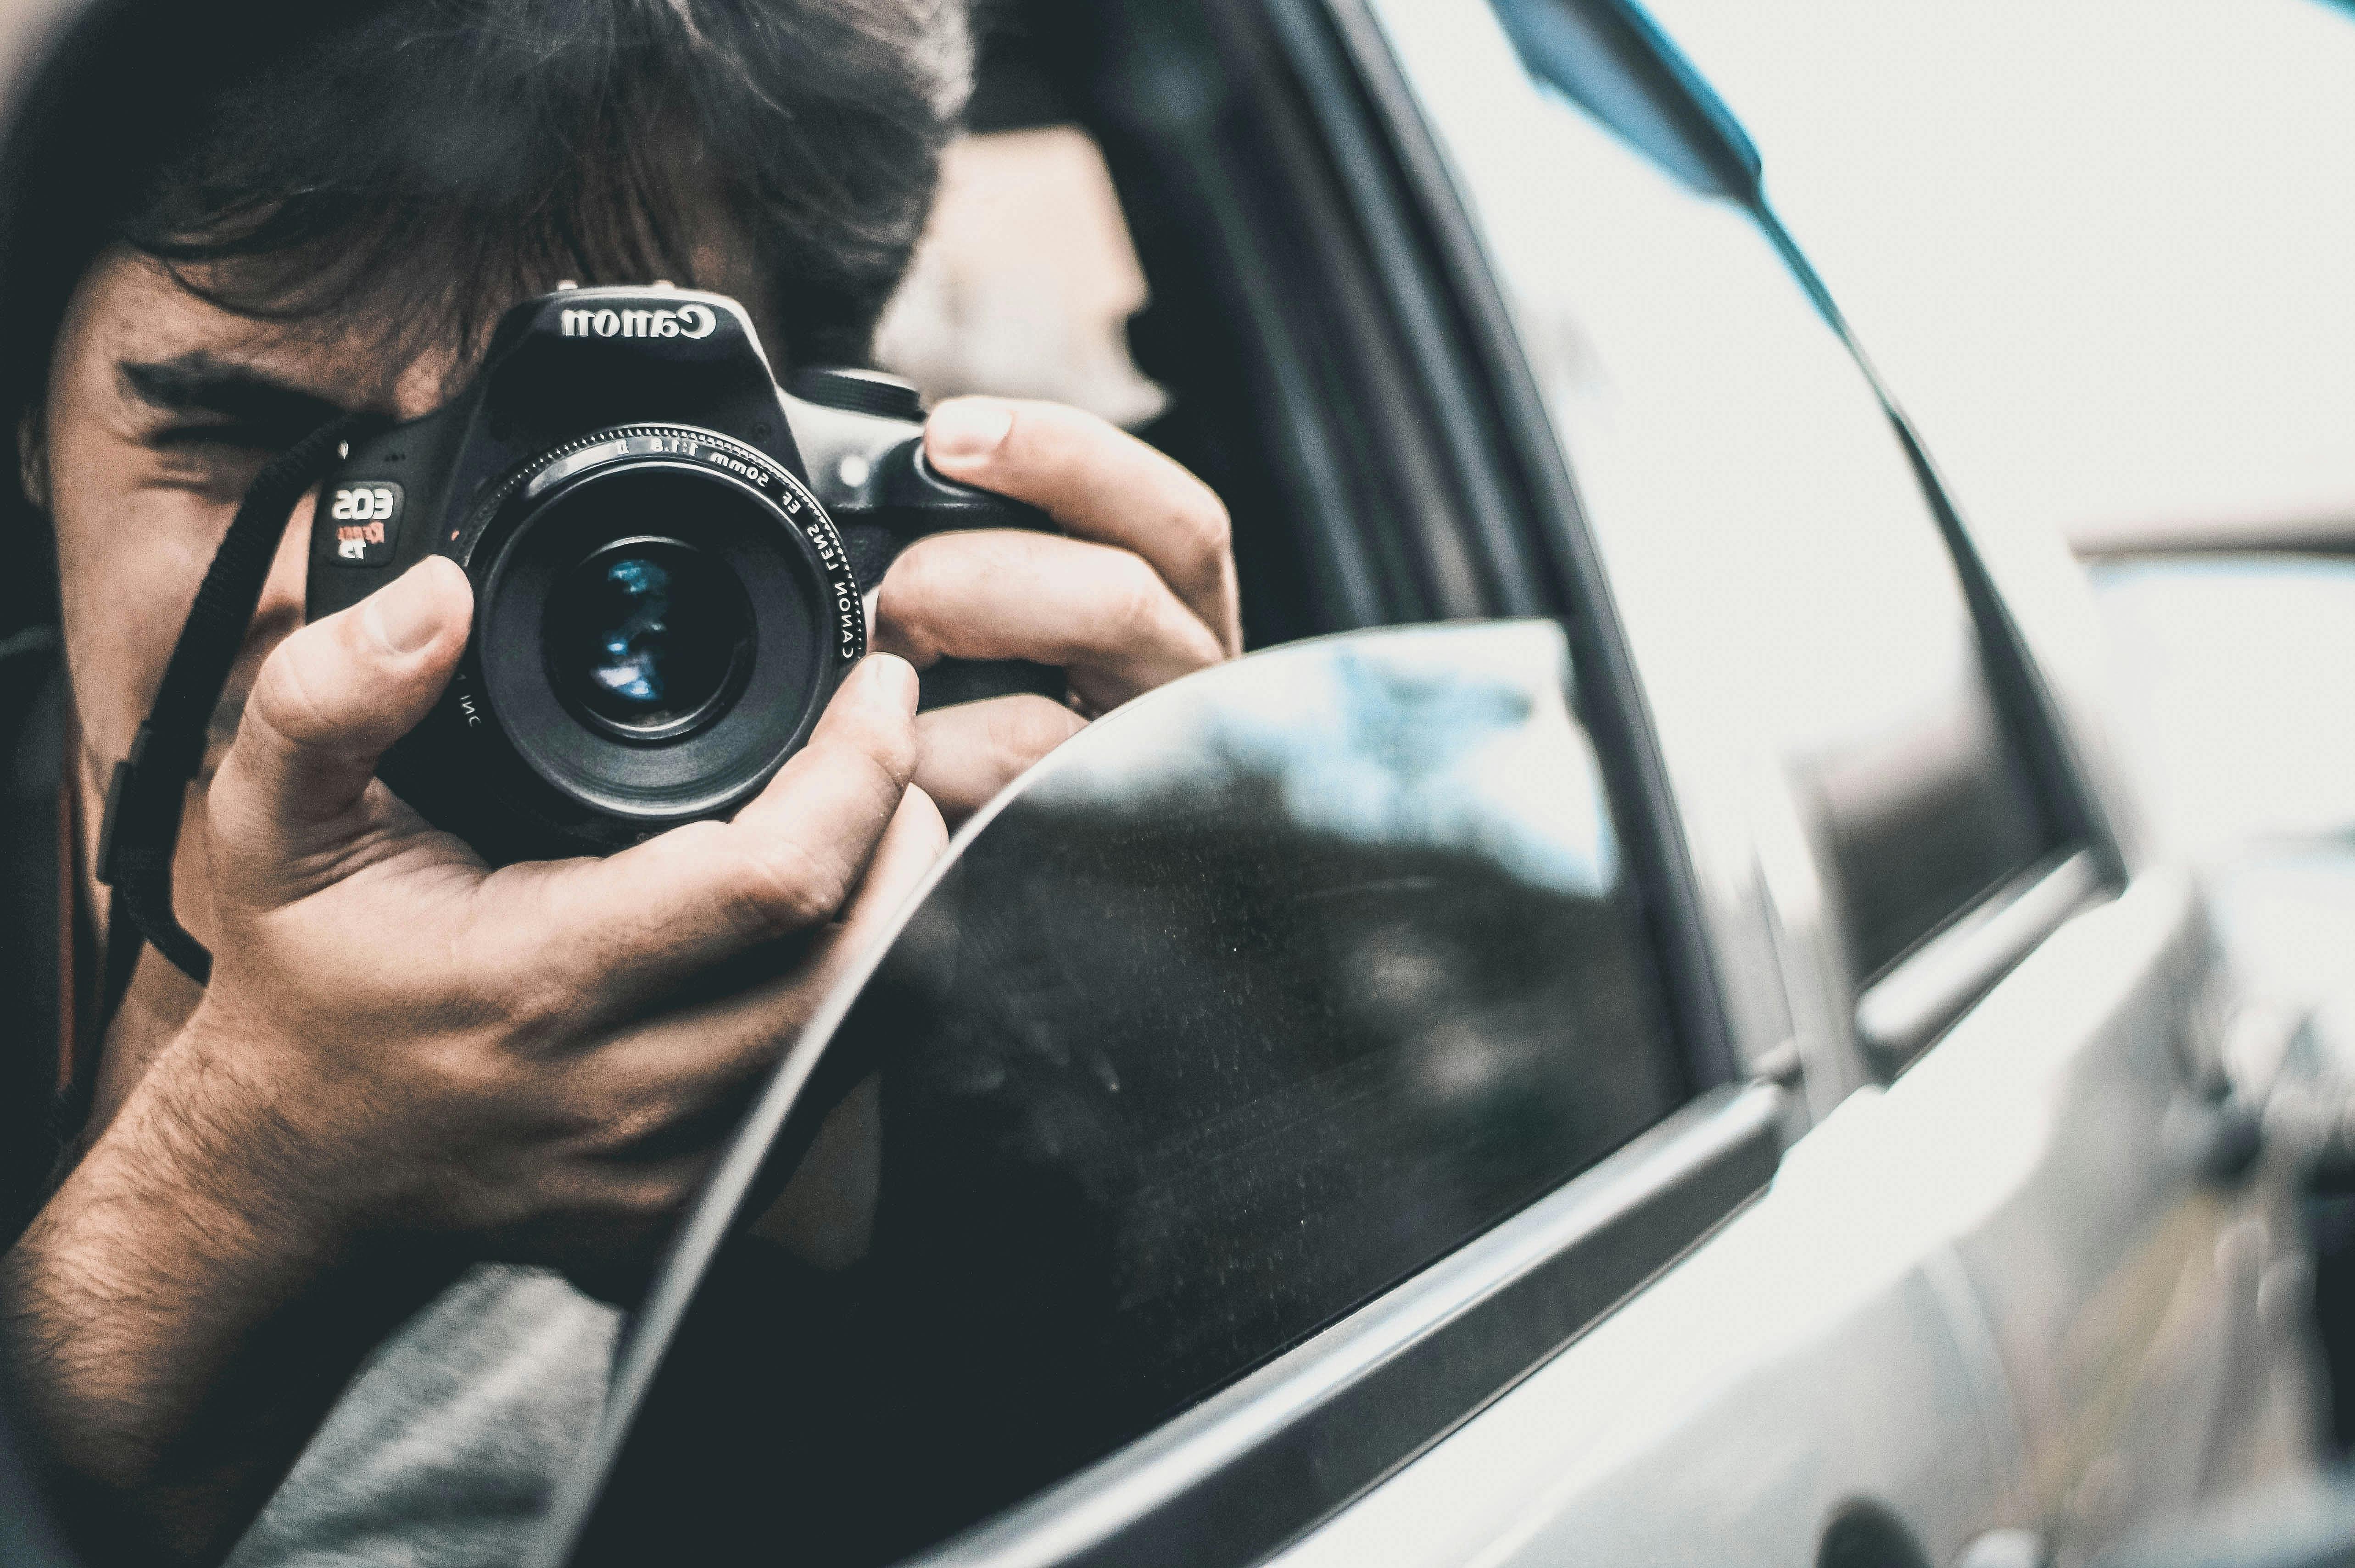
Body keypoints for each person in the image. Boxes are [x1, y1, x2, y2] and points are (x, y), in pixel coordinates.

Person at [0, 1, 1241, 1563]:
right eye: (249, 439)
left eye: (573, 473)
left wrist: (1142, 993)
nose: (376, 620)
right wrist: (246, 1196)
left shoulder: (930, 973)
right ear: (24, 437)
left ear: (811, 487)